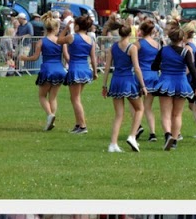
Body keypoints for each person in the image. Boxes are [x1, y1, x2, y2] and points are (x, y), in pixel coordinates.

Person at [102, 19, 148, 153]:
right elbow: (137, 68)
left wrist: (104, 85)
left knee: (118, 115)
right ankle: (132, 136)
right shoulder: (132, 47)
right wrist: (143, 85)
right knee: (140, 109)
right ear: (130, 33)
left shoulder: (113, 47)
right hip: (128, 81)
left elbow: (106, 67)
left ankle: (113, 144)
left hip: (115, 81)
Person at [19, 13, 69, 131]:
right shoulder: (61, 41)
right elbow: (67, 57)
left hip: (47, 69)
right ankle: (51, 118)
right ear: (56, 28)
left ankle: (50, 115)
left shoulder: (41, 41)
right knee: (53, 97)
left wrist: (24, 58)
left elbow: (35, 57)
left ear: (46, 28)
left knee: (42, 95)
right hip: (59, 70)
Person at [151, 24, 196, 151]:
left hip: (166, 81)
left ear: (170, 37)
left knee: (165, 114)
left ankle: (167, 136)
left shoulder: (164, 50)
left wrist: (163, 67)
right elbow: (192, 69)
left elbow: (154, 66)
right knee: (177, 114)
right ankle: (175, 140)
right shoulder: (185, 52)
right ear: (182, 39)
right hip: (181, 83)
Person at [64, 15, 96, 134]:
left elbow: (59, 40)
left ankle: (82, 126)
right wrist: (95, 72)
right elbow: (93, 58)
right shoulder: (90, 40)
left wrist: (66, 28)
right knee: (76, 98)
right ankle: (78, 124)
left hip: (75, 69)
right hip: (85, 69)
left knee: (76, 99)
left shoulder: (72, 37)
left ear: (77, 26)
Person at [132, 20, 163, 145]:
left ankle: (137, 126)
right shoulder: (157, 44)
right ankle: (152, 133)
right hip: (154, 75)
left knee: (135, 105)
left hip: (141, 75)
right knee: (148, 107)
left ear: (142, 31)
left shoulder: (138, 44)